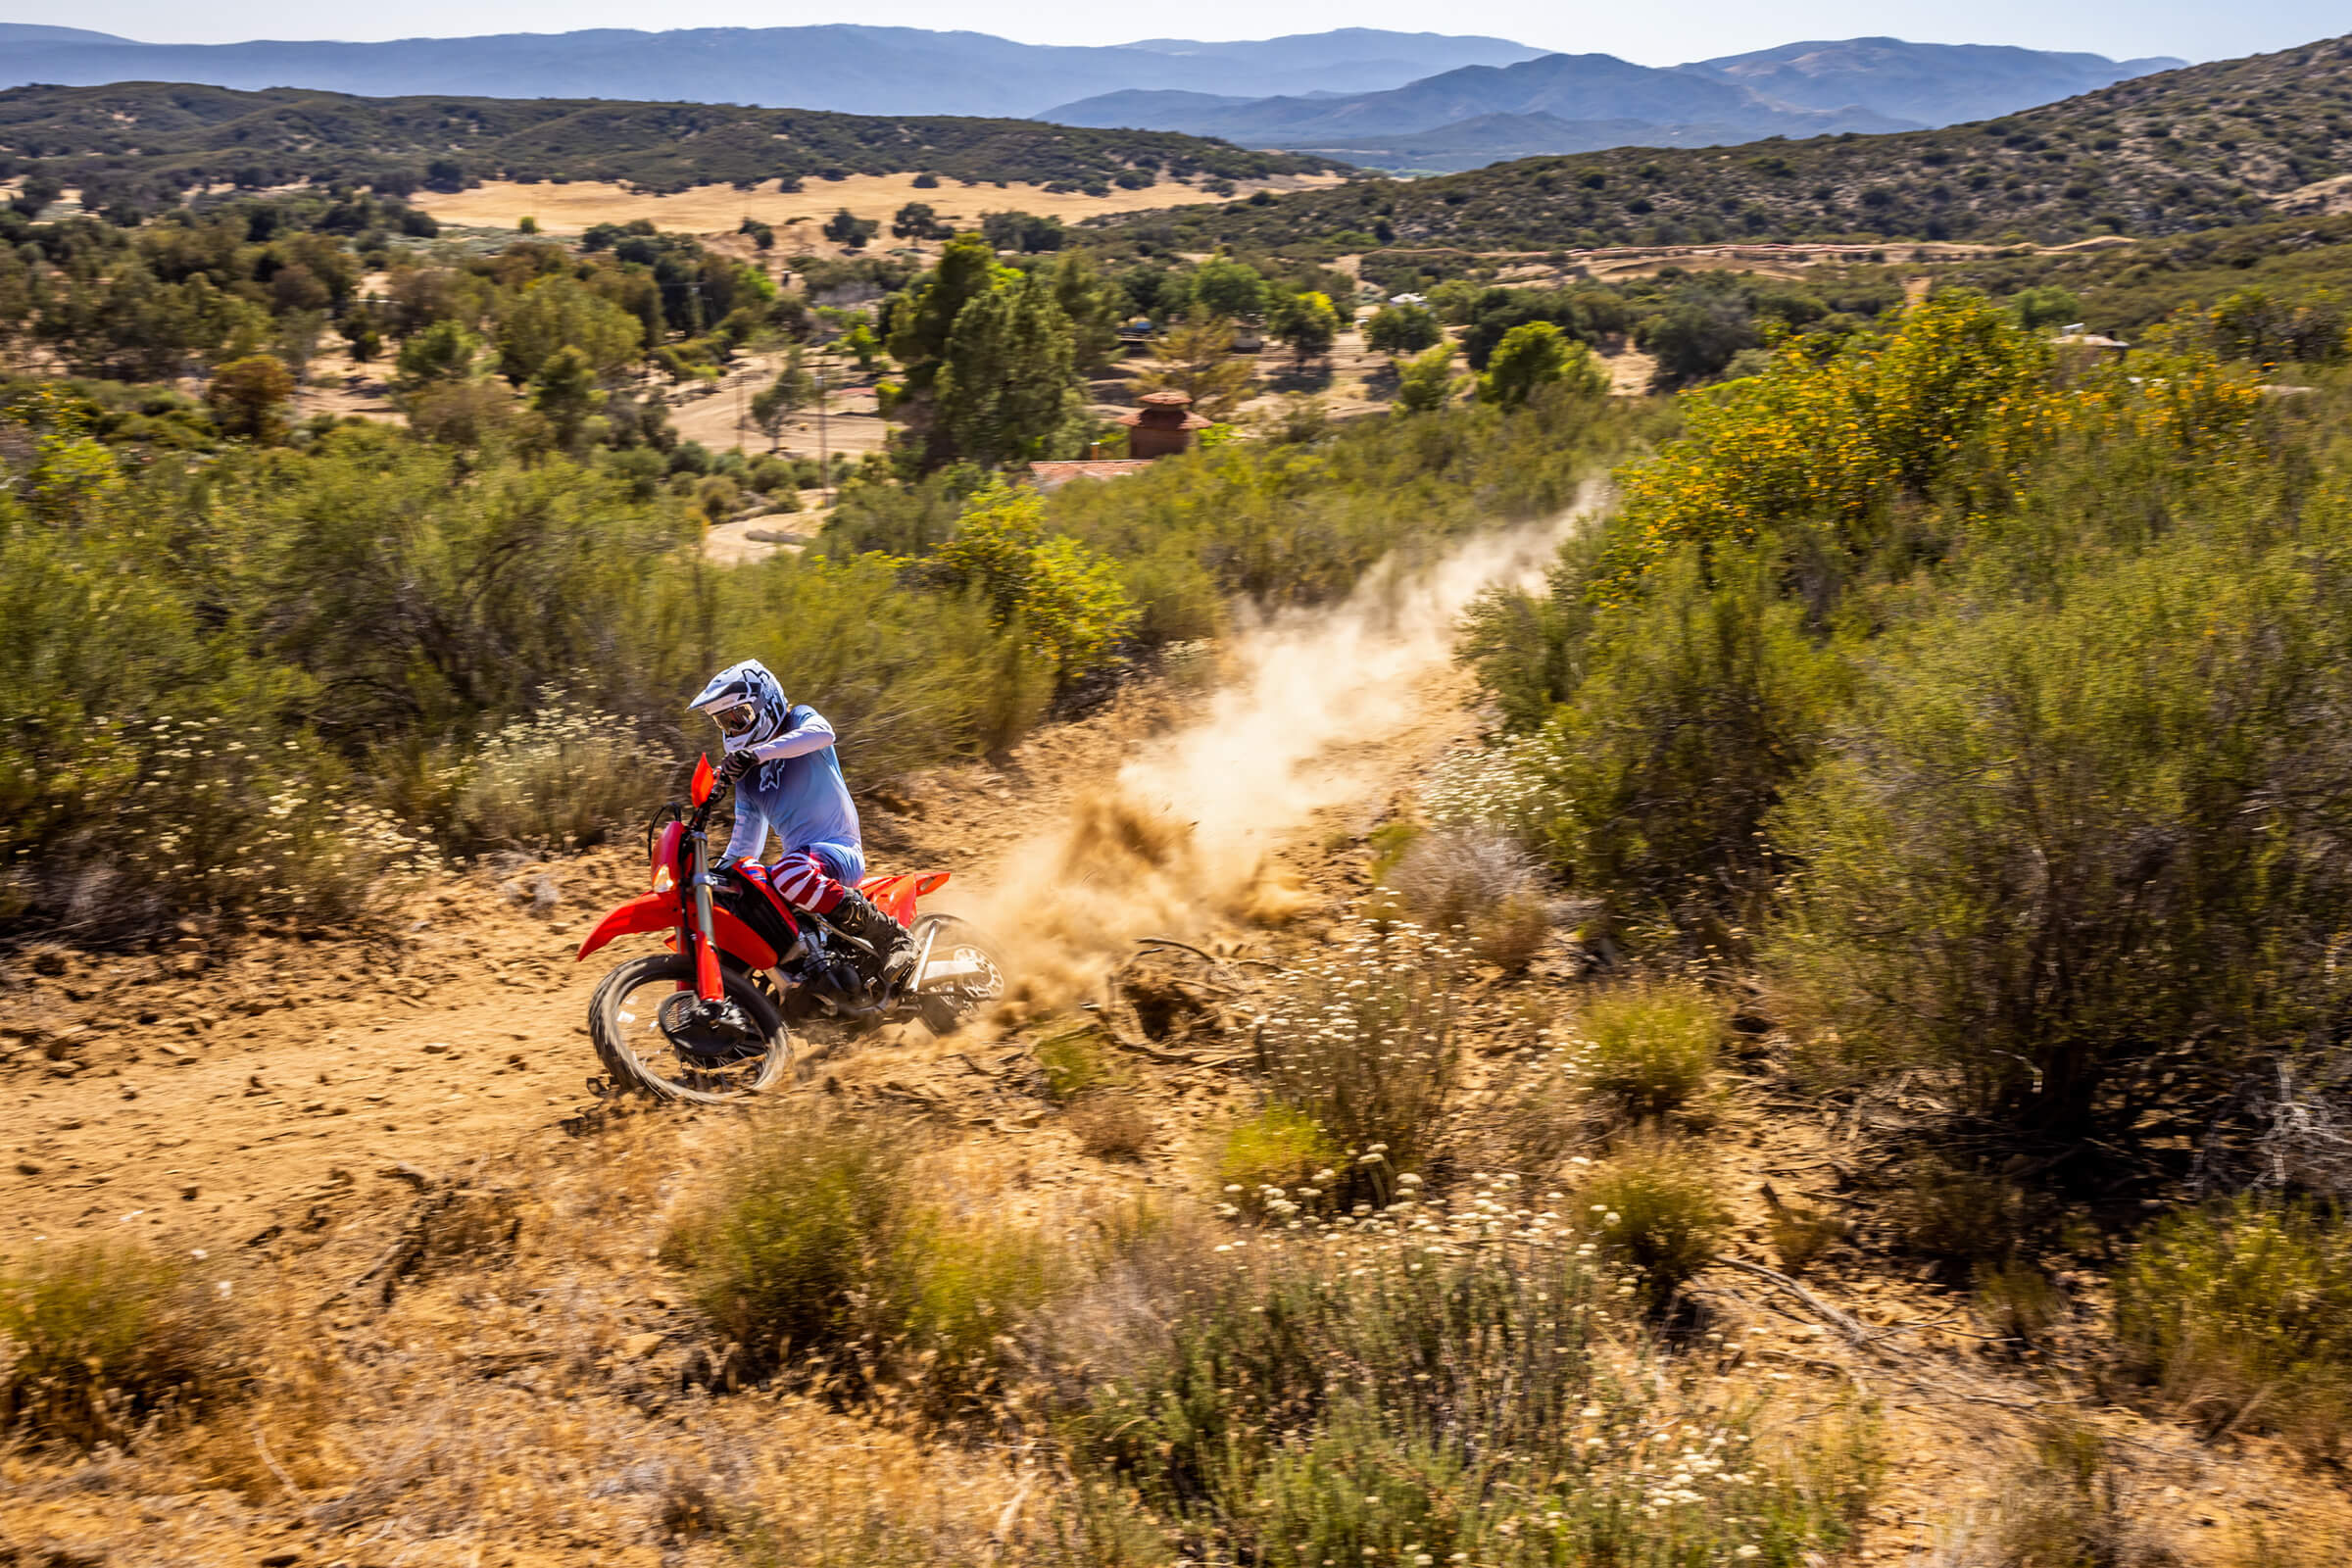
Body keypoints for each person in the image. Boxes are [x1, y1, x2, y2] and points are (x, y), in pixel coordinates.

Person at [688, 660, 913, 982]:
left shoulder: (798, 721)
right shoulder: (748, 779)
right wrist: (710, 877)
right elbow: (745, 844)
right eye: (725, 723)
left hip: (838, 850)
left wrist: (757, 754)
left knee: (787, 872)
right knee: (747, 901)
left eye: (740, 717)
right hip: (804, 865)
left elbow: (823, 733)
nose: (734, 729)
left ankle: (892, 936)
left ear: (765, 703)